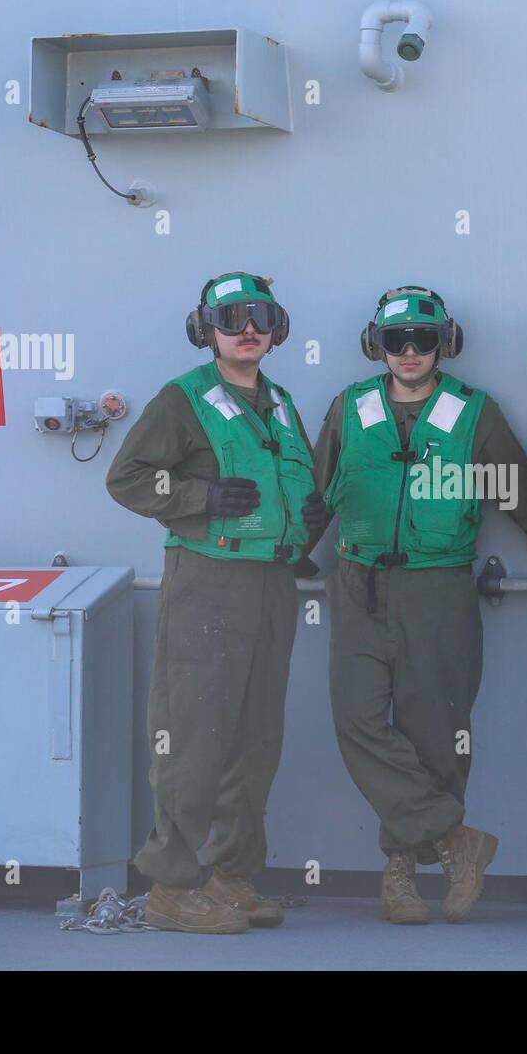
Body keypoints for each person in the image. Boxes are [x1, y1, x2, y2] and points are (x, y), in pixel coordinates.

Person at [308, 285, 527, 925]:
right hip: (357, 582)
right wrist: (287, 557)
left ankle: (400, 876)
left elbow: (519, 497)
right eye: (395, 340)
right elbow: (316, 493)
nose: (409, 352)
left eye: (423, 339)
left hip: (438, 588)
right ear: (375, 344)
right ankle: (455, 839)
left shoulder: (473, 411)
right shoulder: (350, 407)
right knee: (358, 721)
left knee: (437, 735)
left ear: (445, 343)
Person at [106, 271, 324, 934]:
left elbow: (296, 481)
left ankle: (232, 877)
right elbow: (129, 478)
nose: (247, 328)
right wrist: (200, 499)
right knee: (194, 734)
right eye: (231, 318)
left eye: (259, 316)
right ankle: (170, 889)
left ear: (277, 326)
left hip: (272, 583)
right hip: (208, 579)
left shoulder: (281, 401)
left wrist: (305, 522)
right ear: (208, 330)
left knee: (256, 736)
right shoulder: (183, 400)